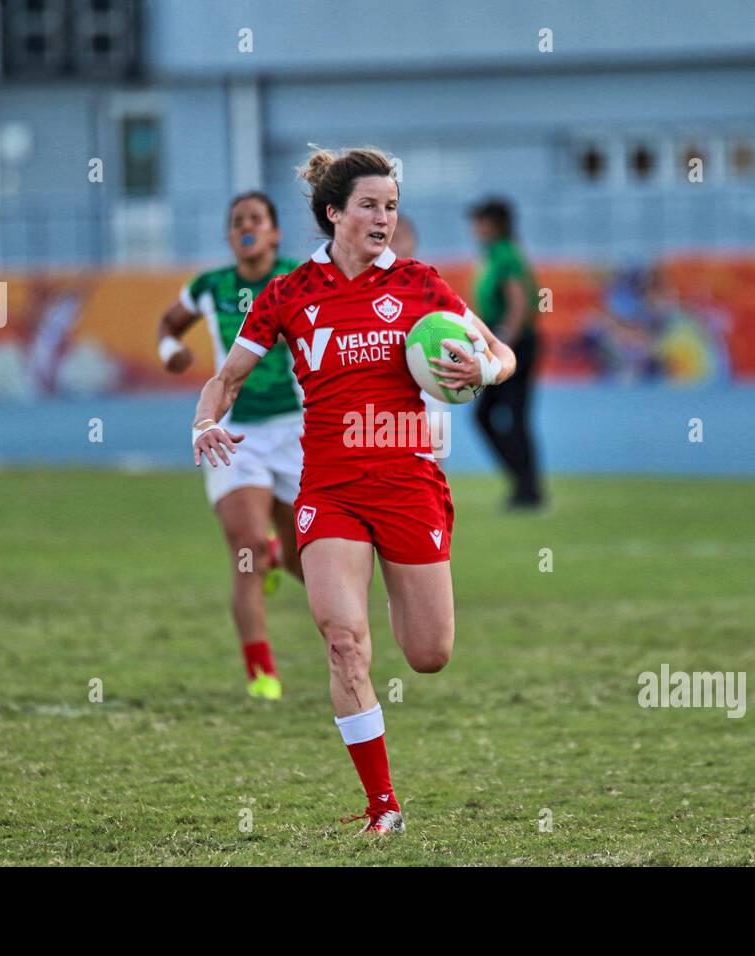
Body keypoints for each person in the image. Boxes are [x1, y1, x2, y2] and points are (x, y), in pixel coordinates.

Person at [191, 147, 516, 835]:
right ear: (333, 212)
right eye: (370, 205)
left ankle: (405, 621)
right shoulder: (288, 294)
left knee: (428, 653)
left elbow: (501, 354)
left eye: (392, 207)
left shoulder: (424, 286)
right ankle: (383, 807)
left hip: (409, 484)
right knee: (343, 641)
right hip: (330, 490)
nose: (384, 218)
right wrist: (202, 422)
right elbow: (228, 377)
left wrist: (482, 367)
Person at [157, 192, 304, 700]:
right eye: (237, 221)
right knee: (246, 550)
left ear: (275, 231)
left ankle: (279, 552)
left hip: (297, 431)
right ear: (228, 235)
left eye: (256, 220)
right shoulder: (210, 285)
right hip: (234, 433)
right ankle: (261, 669)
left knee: (307, 563)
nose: (246, 228)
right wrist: (170, 349)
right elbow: (169, 323)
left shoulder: (297, 279)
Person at [468, 197, 544, 509]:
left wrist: (502, 343)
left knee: (508, 415)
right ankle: (524, 484)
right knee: (501, 416)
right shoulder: (494, 254)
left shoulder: (504, 255)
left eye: (480, 222)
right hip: (507, 343)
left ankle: (526, 486)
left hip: (514, 346)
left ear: (495, 224)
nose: (475, 229)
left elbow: (519, 302)